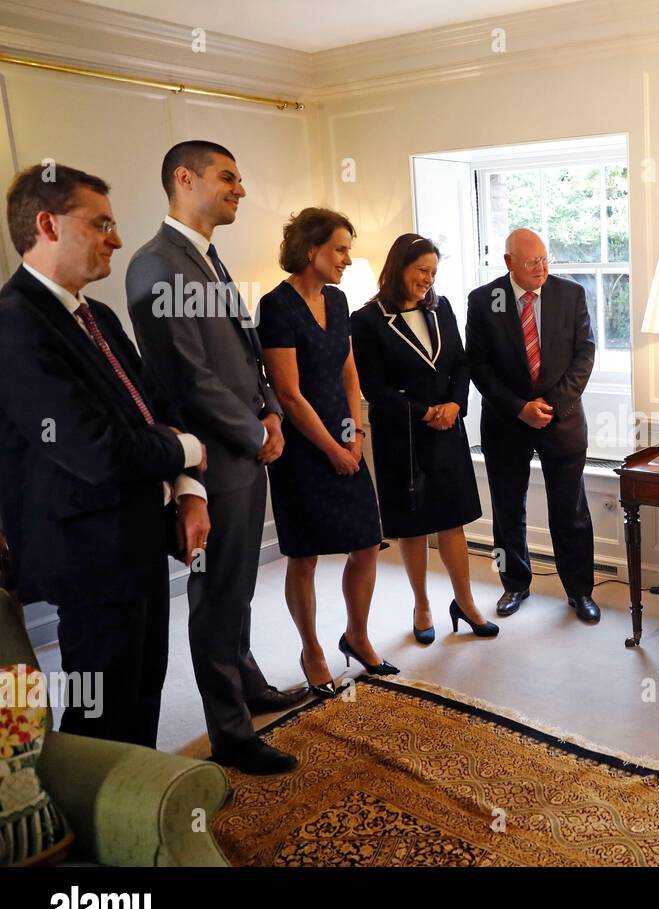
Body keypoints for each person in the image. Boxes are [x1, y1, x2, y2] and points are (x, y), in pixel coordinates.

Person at [0, 163, 207, 747]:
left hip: (139, 537)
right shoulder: (14, 325)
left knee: (144, 691)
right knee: (101, 714)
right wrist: (191, 448)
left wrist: (189, 489)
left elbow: (151, 409)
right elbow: (97, 453)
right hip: (85, 555)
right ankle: (97, 829)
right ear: (47, 224)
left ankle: (140, 811)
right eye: (102, 224)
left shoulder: (100, 316)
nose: (117, 238)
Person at [126, 141, 307, 776]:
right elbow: (185, 379)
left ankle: (249, 684)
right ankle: (230, 733)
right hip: (212, 460)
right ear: (185, 178)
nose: (241, 189)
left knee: (238, 587)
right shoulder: (155, 265)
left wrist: (271, 412)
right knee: (216, 594)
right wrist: (253, 433)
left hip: (247, 445)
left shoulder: (206, 258)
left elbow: (244, 355)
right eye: (228, 177)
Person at [258, 208, 392, 696]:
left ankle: (356, 635)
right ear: (310, 249)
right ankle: (311, 650)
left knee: (366, 541)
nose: (348, 260)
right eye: (340, 249)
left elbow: (349, 371)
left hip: (345, 435)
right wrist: (332, 449)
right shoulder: (276, 306)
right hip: (302, 448)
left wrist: (355, 433)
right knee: (306, 553)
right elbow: (289, 394)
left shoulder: (337, 300)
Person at [351, 234, 497, 642]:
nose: (428, 280)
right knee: (413, 526)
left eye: (433, 272)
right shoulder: (365, 321)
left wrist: (454, 405)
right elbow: (373, 388)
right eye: (422, 271)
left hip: (448, 429)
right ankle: (422, 606)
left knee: (452, 521)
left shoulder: (442, 307)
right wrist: (423, 412)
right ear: (399, 267)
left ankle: (465, 602)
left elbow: (461, 363)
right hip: (404, 437)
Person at [465, 228, 598, 623]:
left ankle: (580, 591)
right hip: (507, 421)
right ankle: (514, 585)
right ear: (508, 262)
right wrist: (520, 407)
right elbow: (479, 366)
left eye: (544, 258)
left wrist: (552, 405)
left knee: (570, 509)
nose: (541, 267)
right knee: (507, 509)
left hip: (564, 419)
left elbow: (585, 354)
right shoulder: (483, 300)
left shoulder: (570, 294)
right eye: (530, 261)